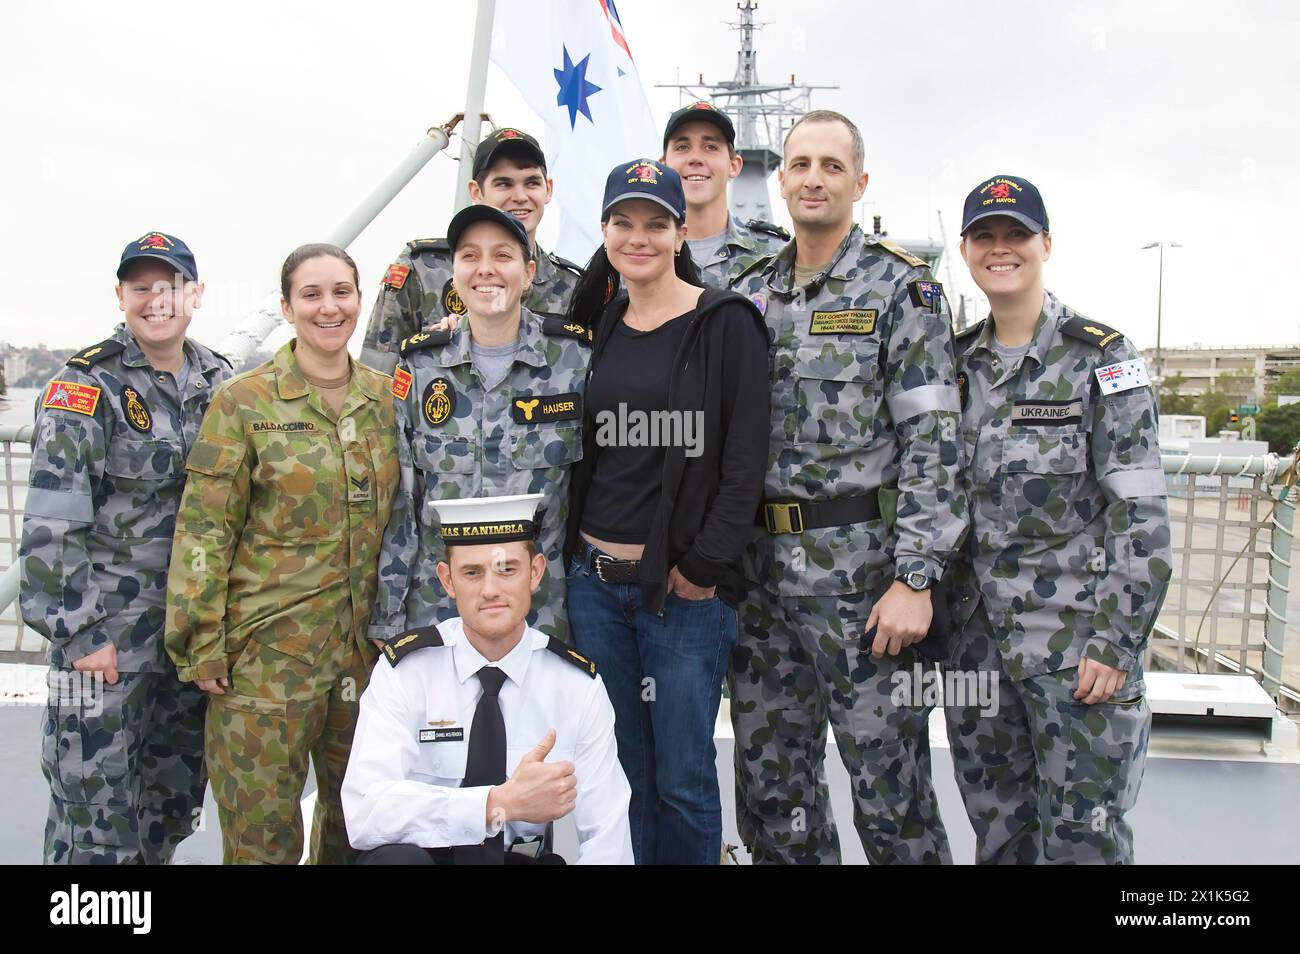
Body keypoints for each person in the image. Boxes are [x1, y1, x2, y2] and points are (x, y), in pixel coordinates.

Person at [728, 111, 967, 865]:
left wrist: (916, 578)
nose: (812, 178)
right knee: (775, 790)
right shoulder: (747, 294)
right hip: (760, 585)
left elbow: (934, 441)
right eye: (800, 164)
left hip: (863, 586)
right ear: (783, 179)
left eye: (831, 166)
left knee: (888, 790)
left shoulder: (902, 290)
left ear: (859, 183)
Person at [943, 175, 1171, 864]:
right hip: (975, 652)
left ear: (1047, 243)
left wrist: (1116, 641)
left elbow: (1141, 514)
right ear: (964, 249)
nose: (1001, 248)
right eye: (986, 236)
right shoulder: (952, 366)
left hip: (1076, 650)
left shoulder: (1104, 358)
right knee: (1000, 836)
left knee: (1085, 841)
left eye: (1016, 234)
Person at [562, 159, 770, 865]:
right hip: (595, 587)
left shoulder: (725, 323)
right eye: (624, 222)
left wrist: (704, 568)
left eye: (656, 223)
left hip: (680, 592)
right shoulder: (599, 323)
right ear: (605, 230)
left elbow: (745, 462)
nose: (639, 237)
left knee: (681, 779)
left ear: (682, 231)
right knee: (621, 772)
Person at [165, 243, 399, 864]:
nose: (330, 308)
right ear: (287, 307)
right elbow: (204, 529)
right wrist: (200, 638)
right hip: (264, 664)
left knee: (358, 829)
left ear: (359, 299)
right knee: (261, 840)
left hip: (365, 660)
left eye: (342, 293)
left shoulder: (387, 401)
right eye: (312, 295)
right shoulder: (244, 403)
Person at [20, 231, 232, 865]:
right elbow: (52, 526)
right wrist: (82, 637)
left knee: (168, 805)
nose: (156, 299)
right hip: (103, 644)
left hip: (182, 643)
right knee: (91, 814)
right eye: (142, 287)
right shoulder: (85, 387)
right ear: (121, 295)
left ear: (194, 296)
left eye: (169, 286)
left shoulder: (221, 381)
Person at [344, 494, 633, 865]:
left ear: (536, 572)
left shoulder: (575, 685)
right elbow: (364, 813)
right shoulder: (407, 672)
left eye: (508, 569)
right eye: (472, 572)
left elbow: (609, 839)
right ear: (447, 581)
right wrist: (495, 805)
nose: (490, 590)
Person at [369, 205, 589, 646]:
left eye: (502, 256)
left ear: (528, 274)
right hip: (438, 608)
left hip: (540, 611)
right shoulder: (421, 365)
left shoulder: (576, 361)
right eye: (470, 256)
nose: (485, 269)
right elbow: (404, 500)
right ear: (454, 275)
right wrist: (389, 613)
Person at [359, 127, 584, 373]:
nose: (520, 196)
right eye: (503, 184)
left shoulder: (573, 288)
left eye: (531, 183)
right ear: (476, 192)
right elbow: (377, 376)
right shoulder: (423, 269)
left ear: (548, 190)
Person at [659, 101, 788, 288]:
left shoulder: (778, 256)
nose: (695, 158)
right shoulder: (637, 256)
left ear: (734, 166)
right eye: (682, 147)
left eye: (710, 146)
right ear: (663, 166)